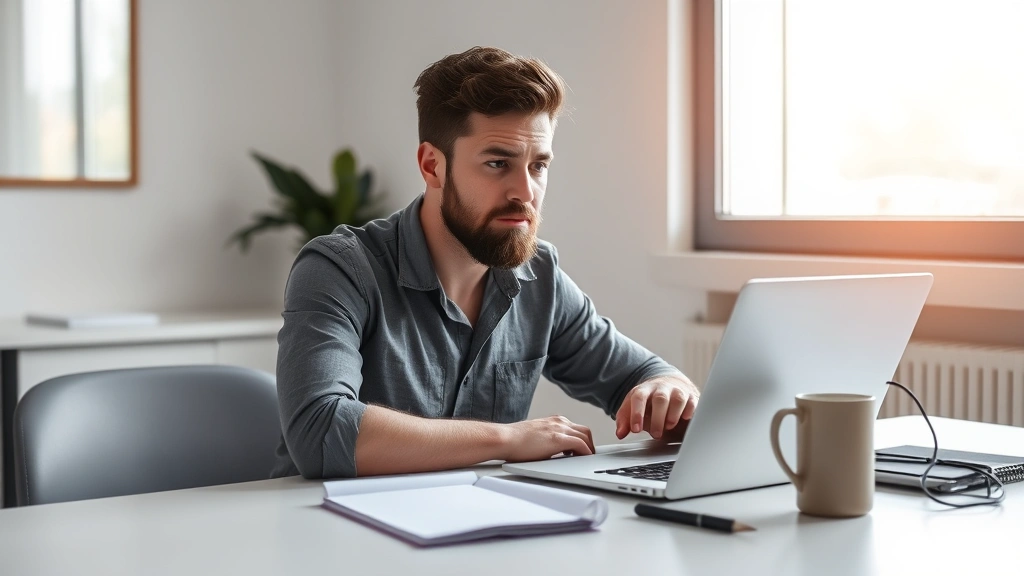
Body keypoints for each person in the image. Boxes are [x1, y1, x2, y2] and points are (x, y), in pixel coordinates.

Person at [272, 46, 698, 479]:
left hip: (475, 531)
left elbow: (644, 373)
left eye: (538, 166)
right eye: (498, 163)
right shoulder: (338, 269)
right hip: (331, 532)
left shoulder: (539, 276)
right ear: (432, 165)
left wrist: (668, 389)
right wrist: (508, 439)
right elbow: (320, 431)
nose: (526, 192)